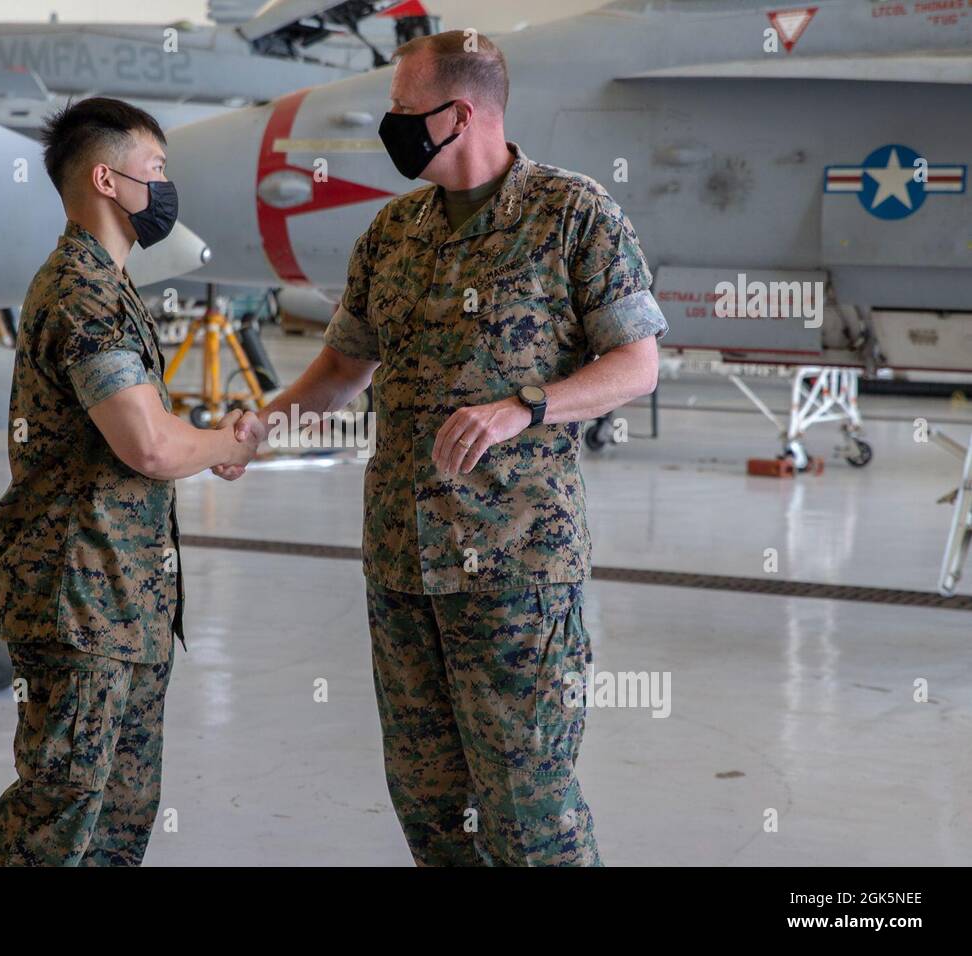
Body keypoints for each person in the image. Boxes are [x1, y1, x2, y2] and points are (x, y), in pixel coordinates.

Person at [219, 30, 668, 866]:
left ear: (459, 114)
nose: (390, 127)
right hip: (401, 564)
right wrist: (259, 430)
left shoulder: (573, 216)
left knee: (529, 814)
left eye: (400, 111)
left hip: (515, 572)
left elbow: (637, 364)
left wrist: (527, 407)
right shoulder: (392, 233)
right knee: (431, 811)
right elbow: (343, 365)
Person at [0, 97, 254, 866]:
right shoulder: (83, 292)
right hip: (85, 608)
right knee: (58, 820)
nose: (163, 185)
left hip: (119, 600)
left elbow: (78, 445)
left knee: (116, 823)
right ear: (107, 177)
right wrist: (226, 440)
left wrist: (35, 522)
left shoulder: (109, 287)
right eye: (154, 169)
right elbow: (149, 447)